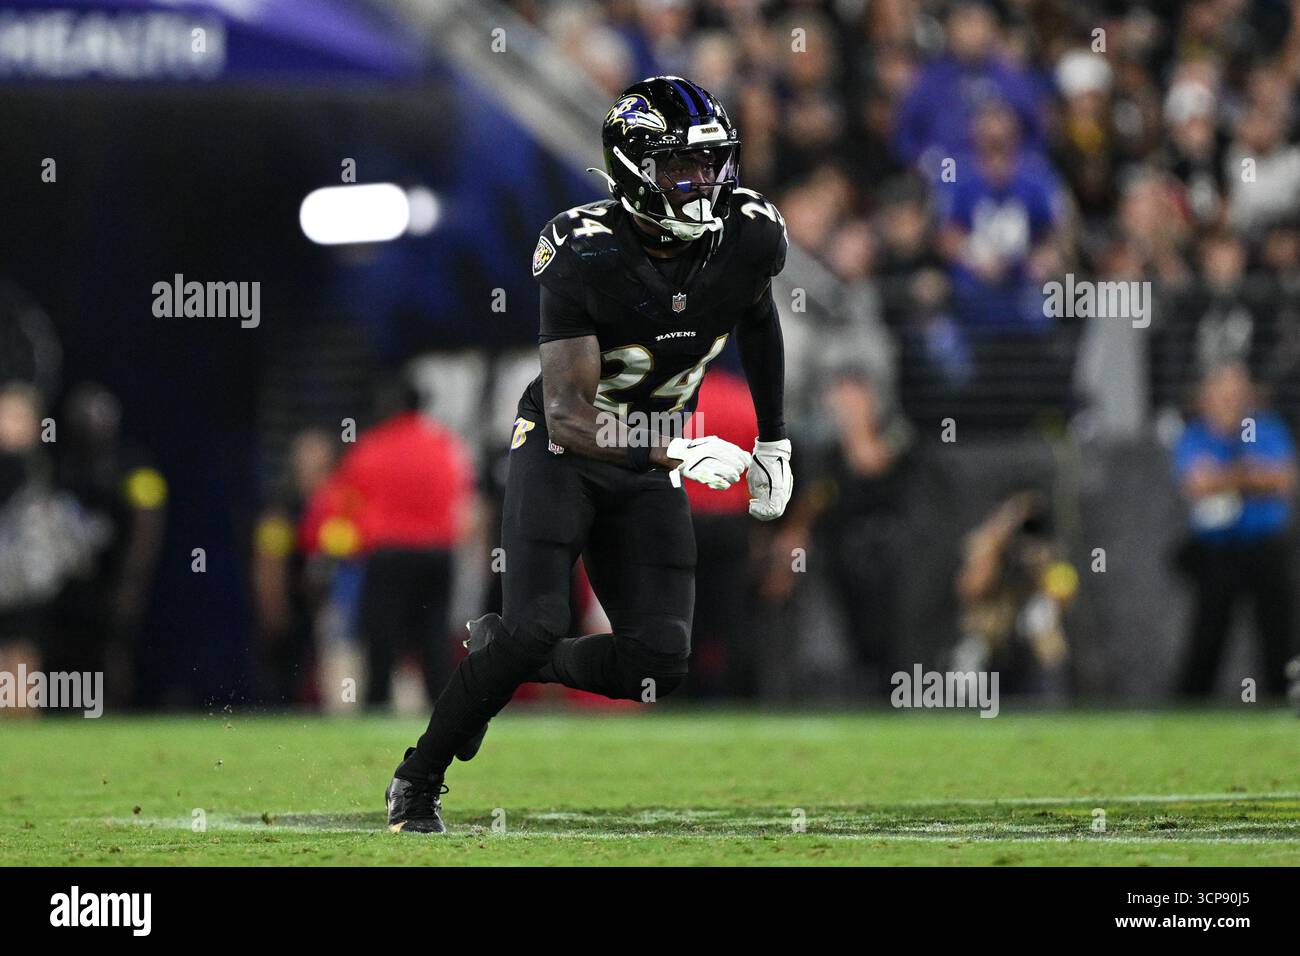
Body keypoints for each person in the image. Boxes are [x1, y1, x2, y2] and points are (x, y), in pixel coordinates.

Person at [384, 76, 792, 833]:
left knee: (659, 663)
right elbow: (572, 418)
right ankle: (418, 777)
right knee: (536, 619)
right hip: (564, 452)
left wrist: (774, 438)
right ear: (635, 168)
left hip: (651, 460)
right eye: (681, 167)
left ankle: (508, 658)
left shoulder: (747, 232)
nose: (703, 184)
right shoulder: (584, 250)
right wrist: (673, 450)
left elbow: (759, 318)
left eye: (712, 165)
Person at [1173, 361, 1297, 697]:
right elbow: (1197, 482)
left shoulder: (1266, 428)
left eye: (1237, 394)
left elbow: (1284, 478)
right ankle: (1189, 710)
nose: (1232, 401)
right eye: (1224, 394)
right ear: (1207, 397)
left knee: (1279, 634)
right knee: (1208, 634)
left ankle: (1285, 703)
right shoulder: (1196, 434)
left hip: (1265, 547)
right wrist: (1249, 475)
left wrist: (1226, 477)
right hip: (1218, 552)